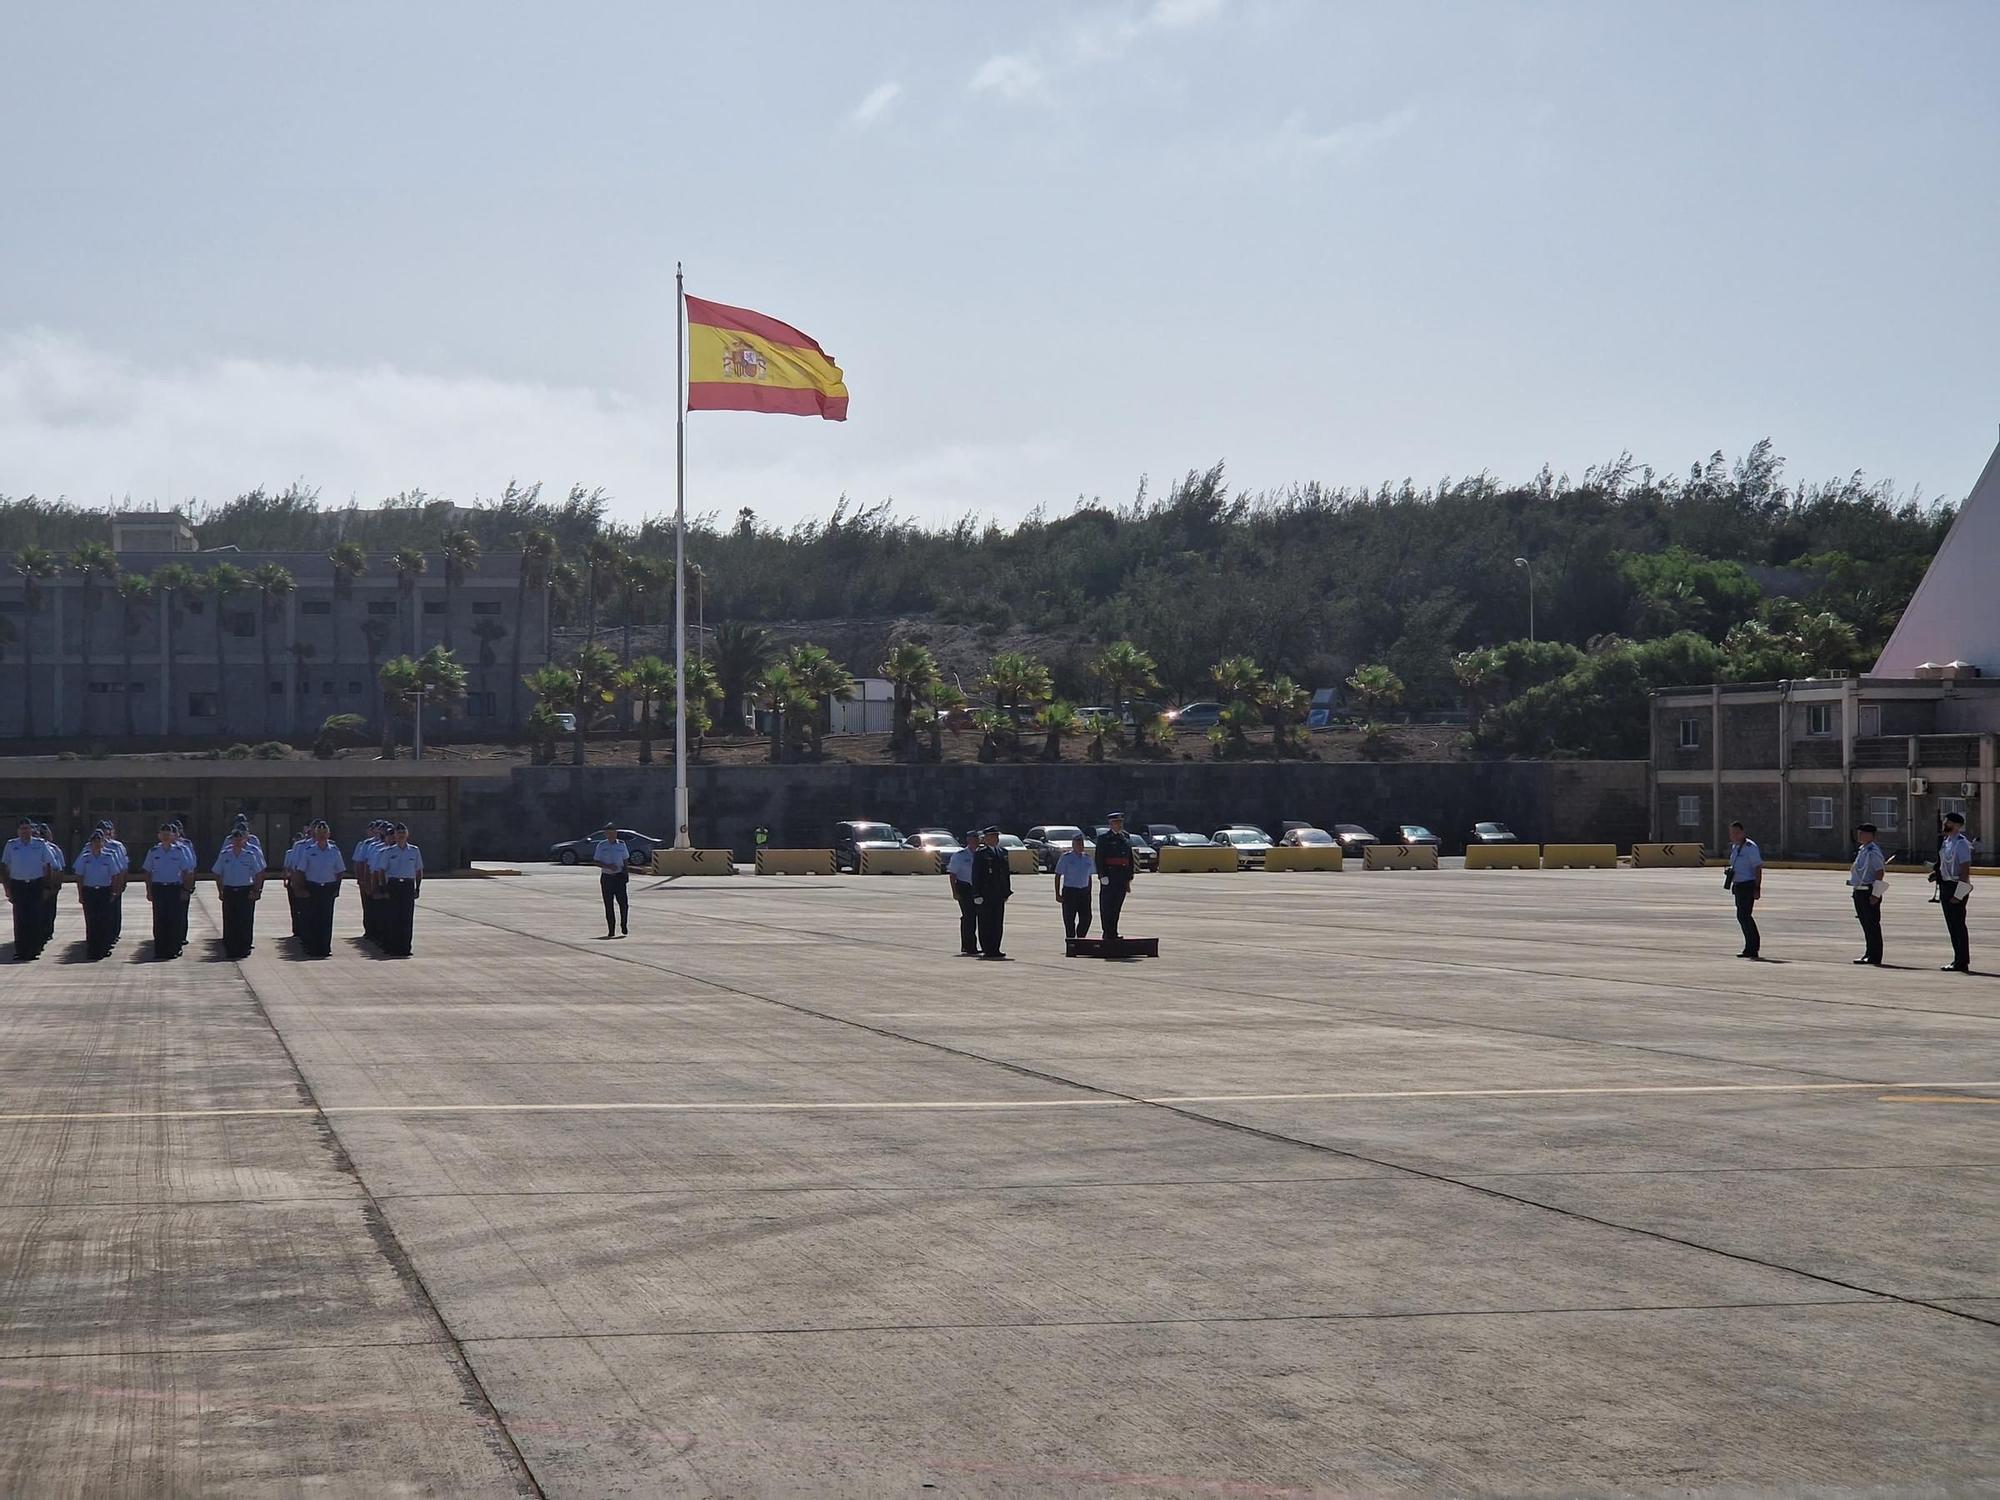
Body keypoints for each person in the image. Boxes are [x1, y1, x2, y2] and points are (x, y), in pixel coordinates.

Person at [3, 818, 60, 960]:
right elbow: (5, 867)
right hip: (18, 885)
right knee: (20, 919)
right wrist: (7, 888)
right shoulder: (11, 845)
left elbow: (49, 865)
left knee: (35, 918)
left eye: (27, 828)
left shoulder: (40, 845)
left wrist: (47, 886)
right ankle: (21, 951)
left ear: (31, 831)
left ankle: (33, 950)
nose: (25, 831)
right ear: (18, 831)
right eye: (22, 829)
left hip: (35, 885)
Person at [289, 822, 346, 958]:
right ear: (315, 834)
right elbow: (300, 871)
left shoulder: (334, 851)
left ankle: (325, 947)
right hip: (312, 887)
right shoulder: (309, 851)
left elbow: (339, 871)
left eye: (324, 833)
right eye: (319, 833)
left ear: (328, 834)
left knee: (326, 919)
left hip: (328, 888)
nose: (321, 835)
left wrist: (337, 888)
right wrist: (300, 888)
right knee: (312, 919)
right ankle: (312, 947)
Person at [141, 822, 196, 959]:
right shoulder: (153, 852)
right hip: (159, 888)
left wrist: (185, 889)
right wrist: (149, 890)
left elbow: (187, 871)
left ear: (173, 836)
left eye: (168, 834)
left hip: (174, 887)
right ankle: (160, 950)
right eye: (163, 834)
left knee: (174, 920)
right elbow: (147, 871)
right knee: (159, 920)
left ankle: (174, 948)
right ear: (159, 836)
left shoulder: (179, 851)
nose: (165, 837)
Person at [213, 828, 268, 960]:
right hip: (230, 890)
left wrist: (256, 890)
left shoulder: (250, 854)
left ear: (244, 840)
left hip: (245, 890)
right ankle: (231, 949)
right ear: (231, 841)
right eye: (235, 839)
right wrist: (220, 890)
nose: (237, 841)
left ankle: (244, 947)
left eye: (240, 839)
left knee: (245, 920)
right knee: (230, 920)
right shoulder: (225, 855)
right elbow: (217, 873)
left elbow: (259, 874)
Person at [73, 829, 123, 960]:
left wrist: (114, 892)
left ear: (103, 843)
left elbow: (115, 875)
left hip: (104, 891)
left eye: (99, 841)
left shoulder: (109, 856)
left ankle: (103, 948)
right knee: (91, 922)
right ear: (90, 843)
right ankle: (92, 949)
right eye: (94, 841)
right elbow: (79, 876)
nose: (96, 843)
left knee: (104, 921)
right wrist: (80, 893)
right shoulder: (85, 858)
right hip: (89, 891)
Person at [1935, 810, 1974, 973]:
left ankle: (1962, 961)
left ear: (1957, 826)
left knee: (1958, 925)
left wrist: (1960, 894)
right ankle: (1957, 958)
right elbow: (1946, 863)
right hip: (1946, 885)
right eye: (1946, 821)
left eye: (1949, 822)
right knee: (1952, 925)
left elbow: (1965, 869)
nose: (1946, 824)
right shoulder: (1946, 841)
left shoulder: (1961, 843)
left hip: (1957, 885)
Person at [376, 823, 424, 957]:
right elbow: (381, 870)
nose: (401, 835)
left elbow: (418, 870)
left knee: (407, 918)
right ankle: (392, 947)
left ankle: (405, 947)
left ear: (407, 835)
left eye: (403, 833)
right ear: (395, 836)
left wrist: (418, 887)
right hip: (393, 885)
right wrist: (383, 887)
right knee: (393, 918)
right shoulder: (389, 852)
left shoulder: (414, 850)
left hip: (408, 885)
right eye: (398, 833)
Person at [1845, 822, 1887, 966]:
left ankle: (1874, 955)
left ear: (1871, 835)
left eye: (1863, 833)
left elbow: (1879, 872)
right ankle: (1869, 953)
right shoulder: (1863, 850)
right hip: (1860, 890)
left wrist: (1876, 894)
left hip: (1868, 890)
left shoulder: (1872, 851)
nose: (1860, 835)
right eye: (1859, 833)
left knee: (1872, 925)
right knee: (1866, 924)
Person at [970, 825, 1013, 959]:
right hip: (986, 894)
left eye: (996, 836)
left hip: (999, 893)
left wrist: (1007, 891)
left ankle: (996, 948)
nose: (996, 839)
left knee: (997, 922)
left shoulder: (1003, 852)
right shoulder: (981, 854)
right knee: (985, 922)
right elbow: (976, 875)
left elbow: (1005, 874)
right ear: (986, 839)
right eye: (992, 836)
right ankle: (987, 948)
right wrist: (976, 894)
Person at [1094, 813, 1137, 944]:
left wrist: (1130, 876)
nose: (1119, 825)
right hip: (1110, 876)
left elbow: (1129, 858)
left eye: (1121, 822)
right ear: (1111, 824)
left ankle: (1114, 932)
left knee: (1117, 906)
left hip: (1121, 877)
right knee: (1107, 906)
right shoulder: (1103, 839)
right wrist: (1102, 875)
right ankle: (1107, 932)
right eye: (1117, 822)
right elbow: (1099, 858)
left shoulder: (1125, 837)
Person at [1724, 820, 1763, 959]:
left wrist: (1757, 888)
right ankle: (1750, 947)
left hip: (1747, 885)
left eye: (1736, 832)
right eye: (1731, 833)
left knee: (1744, 916)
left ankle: (1753, 947)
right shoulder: (1735, 847)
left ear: (1742, 833)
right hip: (1738, 886)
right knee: (1742, 917)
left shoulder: (1750, 847)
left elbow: (1757, 867)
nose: (1733, 835)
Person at [1054, 833, 1095, 942]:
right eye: (1077, 844)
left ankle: (1081, 939)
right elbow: (1058, 875)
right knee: (1069, 919)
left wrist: (1089, 892)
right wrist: (1057, 894)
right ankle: (1071, 942)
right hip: (1070, 891)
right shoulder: (1066, 858)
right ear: (1073, 845)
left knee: (1086, 918)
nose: (1080, 846)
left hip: (1084, 892)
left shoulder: (1087, 858)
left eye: (1081, 844)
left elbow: (1089, 876)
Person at [594, 823, 631, 938]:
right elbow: (596, 861)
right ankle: (611, 929)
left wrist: (626, 873)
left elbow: (625, 860)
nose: (612, 835)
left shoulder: (621, 845)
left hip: (619, 877)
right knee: (608, 905)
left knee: (623, 904)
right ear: (606, 834)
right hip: (607, 877)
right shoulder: (601, 845)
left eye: (614, 833)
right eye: (609, 833)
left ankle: (623, 924)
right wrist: (607, 866)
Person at [944, 831, 978, 956]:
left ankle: (976, 944)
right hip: (964, 888)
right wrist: (955, 892)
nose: (975, 841)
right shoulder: (960, 855)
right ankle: (968, 946)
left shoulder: (981, 854)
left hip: (978, 889)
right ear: (968, 841)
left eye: (976, 839)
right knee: (968, 917)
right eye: (972, 839)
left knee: (978, 918)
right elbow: (952, 875)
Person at [97, 820, 129, 946]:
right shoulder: (90, 846)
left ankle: (113, 933)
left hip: (113, 882)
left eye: (107, 831)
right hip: (97, 884)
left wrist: (122, 883)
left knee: (113, 911)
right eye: (102, 831)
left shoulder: (117, 846)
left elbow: (123, 867)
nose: (105, 833)